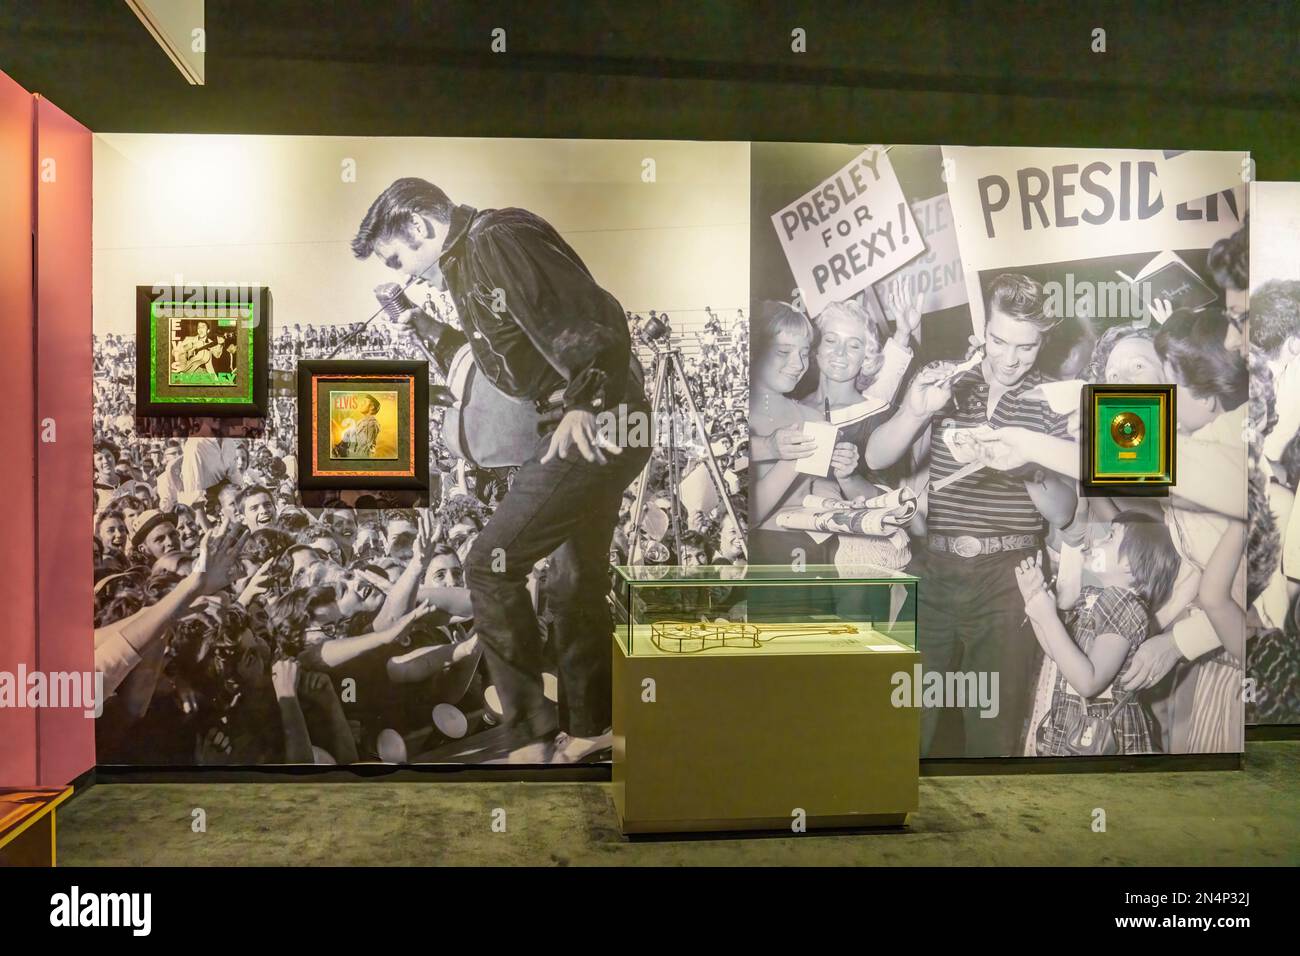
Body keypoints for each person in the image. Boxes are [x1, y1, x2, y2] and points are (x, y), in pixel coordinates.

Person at [352, 177, 651, 762]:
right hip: (602, 420)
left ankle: (530, 731)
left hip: (593, 421)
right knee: (572, 583)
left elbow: (596, 319)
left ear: (418, 226)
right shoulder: (471, 260)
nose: (406, 271)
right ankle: (592, 727)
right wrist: (419, 323)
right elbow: (496, 356)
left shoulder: (493, 240)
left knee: (489, 566)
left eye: (398, 257)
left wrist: (585, 404)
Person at [867, 273, 1078, 757]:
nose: (1010, 359)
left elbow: (1065, 513)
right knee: (904, 726)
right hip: (935, 572)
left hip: (1011, 580)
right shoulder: (948, 378)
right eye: (1000, 341)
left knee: (993, 734)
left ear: (1043, 339)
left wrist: (1025, 467)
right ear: (983, 329)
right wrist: (916, 413)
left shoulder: (1053, 400)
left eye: (1026, 347)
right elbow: (876, 458)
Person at [1015, 512, 1180, 755]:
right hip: (1076, 728)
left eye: (1111, 537)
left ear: (1130, 563)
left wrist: (1048, 616)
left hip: (1106, 739)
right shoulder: (1093, 598)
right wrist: (1034, 598)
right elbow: (1059, 655)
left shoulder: (1125, 606)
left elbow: (1088, 682)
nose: (1097, 541)